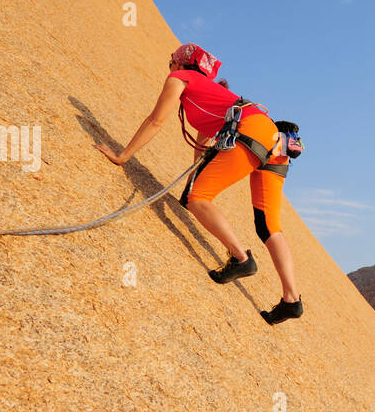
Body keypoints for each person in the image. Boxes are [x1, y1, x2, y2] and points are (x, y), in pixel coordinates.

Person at [94, 43, 303, 324]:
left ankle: (241, 259)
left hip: (252, 131)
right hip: (275, 139)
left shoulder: (180, 80)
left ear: (182, 64)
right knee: (268, 225)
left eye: (171, 61)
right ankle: (292, 300)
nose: (169, 66)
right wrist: (190, 186)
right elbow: (203, 145)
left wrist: (122, 156)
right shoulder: (212, 96)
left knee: (200, 200)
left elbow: (156, 121)